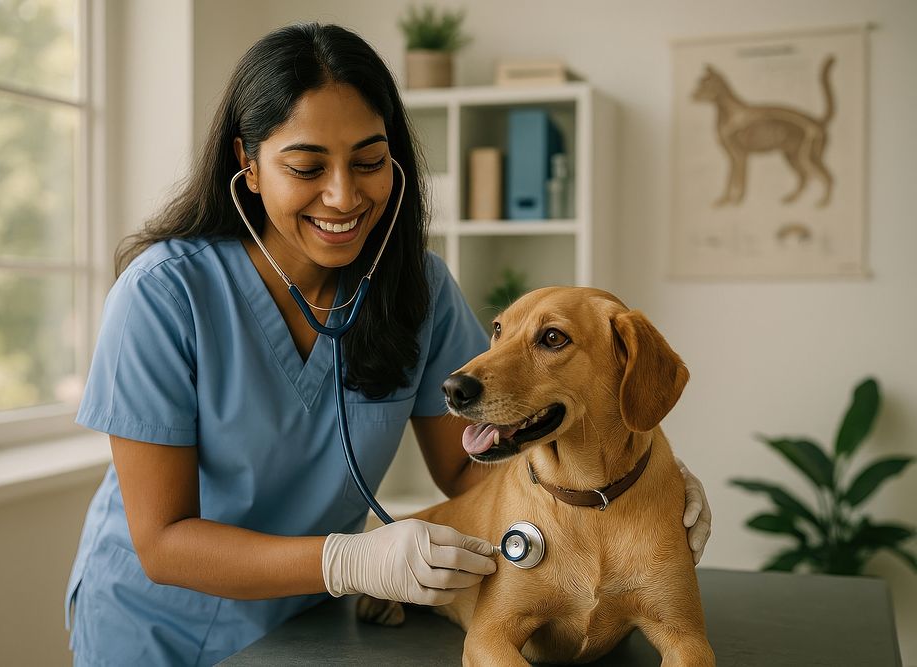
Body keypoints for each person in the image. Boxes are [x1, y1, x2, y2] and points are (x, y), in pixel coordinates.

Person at [65, 22, 712, 666]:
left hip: (312, 621)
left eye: (369, 161)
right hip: (153, 628)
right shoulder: (163, 295)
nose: (344, 194)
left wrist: (632, 480)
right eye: (307, 165)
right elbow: (163, 541)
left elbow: (477, 464)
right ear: (249, 165)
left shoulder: (416, 289)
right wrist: (346, 557)